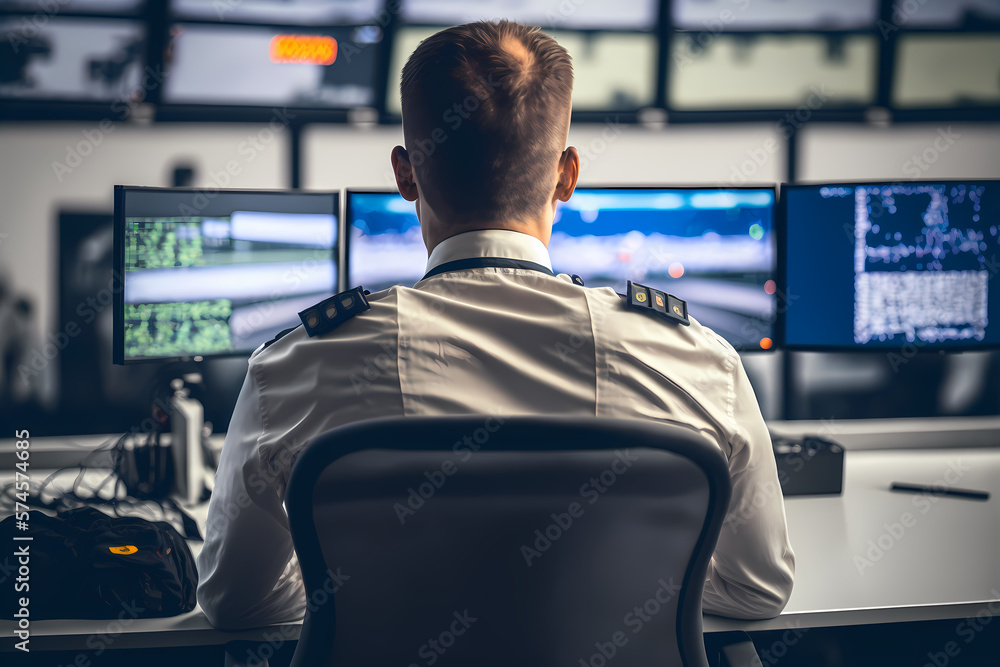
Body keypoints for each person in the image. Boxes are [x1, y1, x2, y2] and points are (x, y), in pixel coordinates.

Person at [197, 20, 794, 630]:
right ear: (567, 175)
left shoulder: (295, 368)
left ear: (405, 174)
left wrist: (350, 590)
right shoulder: (700, 362)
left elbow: (235, 602)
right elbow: (756, 589)